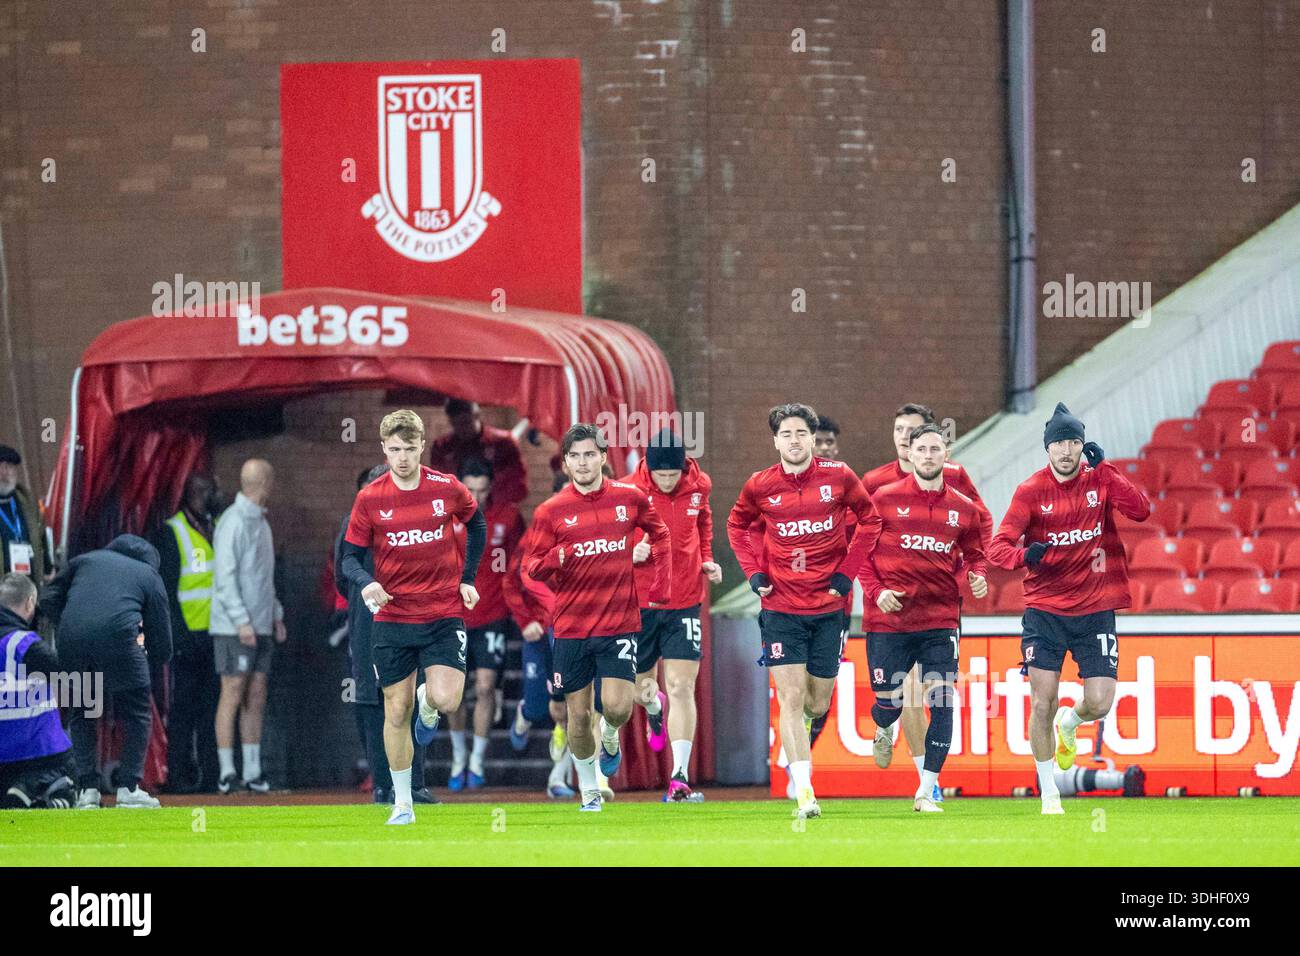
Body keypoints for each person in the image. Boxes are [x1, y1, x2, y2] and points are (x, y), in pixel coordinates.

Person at [988, 403, 1150, 815]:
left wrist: (1109, 467)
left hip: (1096, 609)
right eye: (1059, 442)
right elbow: (998, 547)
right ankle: (1049, 793)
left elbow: (1142, 510)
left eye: (1073, 441)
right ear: (1047, 448)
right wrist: (1027, 554)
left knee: (1100, 703)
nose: (1066, 449)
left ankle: (1071, 722)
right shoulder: (1030, 491)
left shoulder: (1100, 481)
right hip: (1045, 612)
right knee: (1041, 701)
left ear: (1083, 445)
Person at [727, 403, 880, 819]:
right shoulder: (759, 485)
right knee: (790, 698)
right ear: (775, 440)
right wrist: (754, 574)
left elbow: (871, 520)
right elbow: (736, 526)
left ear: (813, 438)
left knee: (817, 701)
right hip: (780, 607)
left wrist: (848, 573)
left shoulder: (839, 477)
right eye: (786, 434)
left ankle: (802, 765)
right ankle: (804, 789)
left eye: (801, 434)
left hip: (829, 607)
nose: (794, 441)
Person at [340, 410, 486, 826]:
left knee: (447, 699)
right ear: (384, 449)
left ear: (422, 446)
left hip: (441, 612)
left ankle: (429, 699)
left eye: (409, 448)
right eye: (394, 449)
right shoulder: (370, 497)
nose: (402, 457)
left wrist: (468, 577)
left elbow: (476, 522)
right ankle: (402, 801)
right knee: (395, 709)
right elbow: (349, 557)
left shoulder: (446, 488)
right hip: (393, 618)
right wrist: (367, 582)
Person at [524, 423, 671, 812]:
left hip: (620, 622)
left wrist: (660, 587)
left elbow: (660, 534)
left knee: (619, 707)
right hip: (571, 628)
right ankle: (589, 789)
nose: (583, 462)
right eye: (575, 456)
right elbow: (531, 568)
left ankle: (610, 734)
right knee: (577, 712)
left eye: (590, 454)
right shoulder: (550, 511)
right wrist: (557, 557)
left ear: (603, 458)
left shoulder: (630, 498)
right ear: (567, 462)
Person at [861, 402, 990, 803]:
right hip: (890, 619)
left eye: (936, 449)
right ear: (908, 454)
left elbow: (976, 548)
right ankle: (884, 727)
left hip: (939, 618)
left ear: (946, 454)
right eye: (921, 449)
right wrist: (877, 591)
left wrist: (979, 575)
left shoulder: (962, 505)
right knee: (891, 701)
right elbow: (858, 550)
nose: (929, 455)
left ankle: (927, 790)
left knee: (942, 701)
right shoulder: (880, 495)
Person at [622, 428, 721, 802]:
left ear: (683, 468)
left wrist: (708, 559)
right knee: (637, 689)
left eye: (672, 475)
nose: (666, 482)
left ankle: (679, 778)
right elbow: (614, 535)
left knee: (681, 686)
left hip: (684, 600)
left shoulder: (700, 486)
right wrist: (631, 550)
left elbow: (704, 523)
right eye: (660, 475)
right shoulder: (628, 490)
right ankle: (652, 705)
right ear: (648, 466)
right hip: (641, 601)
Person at [40, 534, 172, 808]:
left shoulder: (83, 561)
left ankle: (87, 790)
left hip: (72, 640)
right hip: (120, 638)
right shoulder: (148, 574)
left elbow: (47, 598)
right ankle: (129, 789)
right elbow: (161, 637)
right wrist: (151, 658)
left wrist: (70, 623)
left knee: (82, 710)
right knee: (136, 712)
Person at [334, 465, 437, 806]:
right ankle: (385, 785)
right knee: (373, 700)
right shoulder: (354, 525)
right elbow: (342, 574)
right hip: (373, 621)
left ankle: (410, 784)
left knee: (407, 697)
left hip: (404, 619)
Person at [446, 457, 525, 790]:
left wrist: (518, 608)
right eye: (470, 490)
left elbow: (520, 563)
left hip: (492, 614)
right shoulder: (446, 517)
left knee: (484, 686)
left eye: (481, 490)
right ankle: (458, 757)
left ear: (490, 488)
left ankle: (477, 760)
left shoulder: (507, 516)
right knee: (453, 692)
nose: (475, 497)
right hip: (453, 616)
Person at [210, 459, 286, 794]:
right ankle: (227, 772)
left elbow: (262, 580)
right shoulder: (233, 523)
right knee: (232, 692)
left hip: (261, 625)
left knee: (256, 693)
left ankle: (252, 770)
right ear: (265, 482)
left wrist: (276, 614)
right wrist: (242, 621)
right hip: (233, 627)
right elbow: (224, 579)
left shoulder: (262, 525)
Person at [152, 473, 221, 793]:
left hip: (217, 633)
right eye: (209, 489)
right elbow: (166, 588)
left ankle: (210, 776)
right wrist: (178, 635)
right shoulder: (173, 531)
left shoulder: (217, 526)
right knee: (184, 710)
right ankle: (178, 775)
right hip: (188, 636)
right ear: (193, 493)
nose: (215, 494)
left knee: (212, 709)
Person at [503, 525, 575, 798]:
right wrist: (525, 620)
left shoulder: (592, 535)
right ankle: (524, 715)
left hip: (570, 633)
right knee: (536, 707)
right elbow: (511, 582)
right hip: (539, 633)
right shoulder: (532, 540)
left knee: (572, 705)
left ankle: (557, 778)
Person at [0, 574, 76, 809]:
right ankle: (41, 794)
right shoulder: (24, 643)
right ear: (30, 602)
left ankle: (20, 792)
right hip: (39, 752)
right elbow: (69, 673)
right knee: (73, 778)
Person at [428, 398, 528, 506]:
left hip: (496, 512)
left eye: (466, 422)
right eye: (456, 423)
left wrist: (491, 503)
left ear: (476, 415)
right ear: (450, 421)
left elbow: (519, 486)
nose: (462, 428)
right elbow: (438, 487)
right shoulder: (443, 447)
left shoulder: (503, 444)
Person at [0, 444, 51, 585]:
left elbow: (41, 537)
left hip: (29, 581)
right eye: (1, 466)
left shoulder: (27, 503)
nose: (5, 473)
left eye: (10, 467)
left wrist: (48, 567)